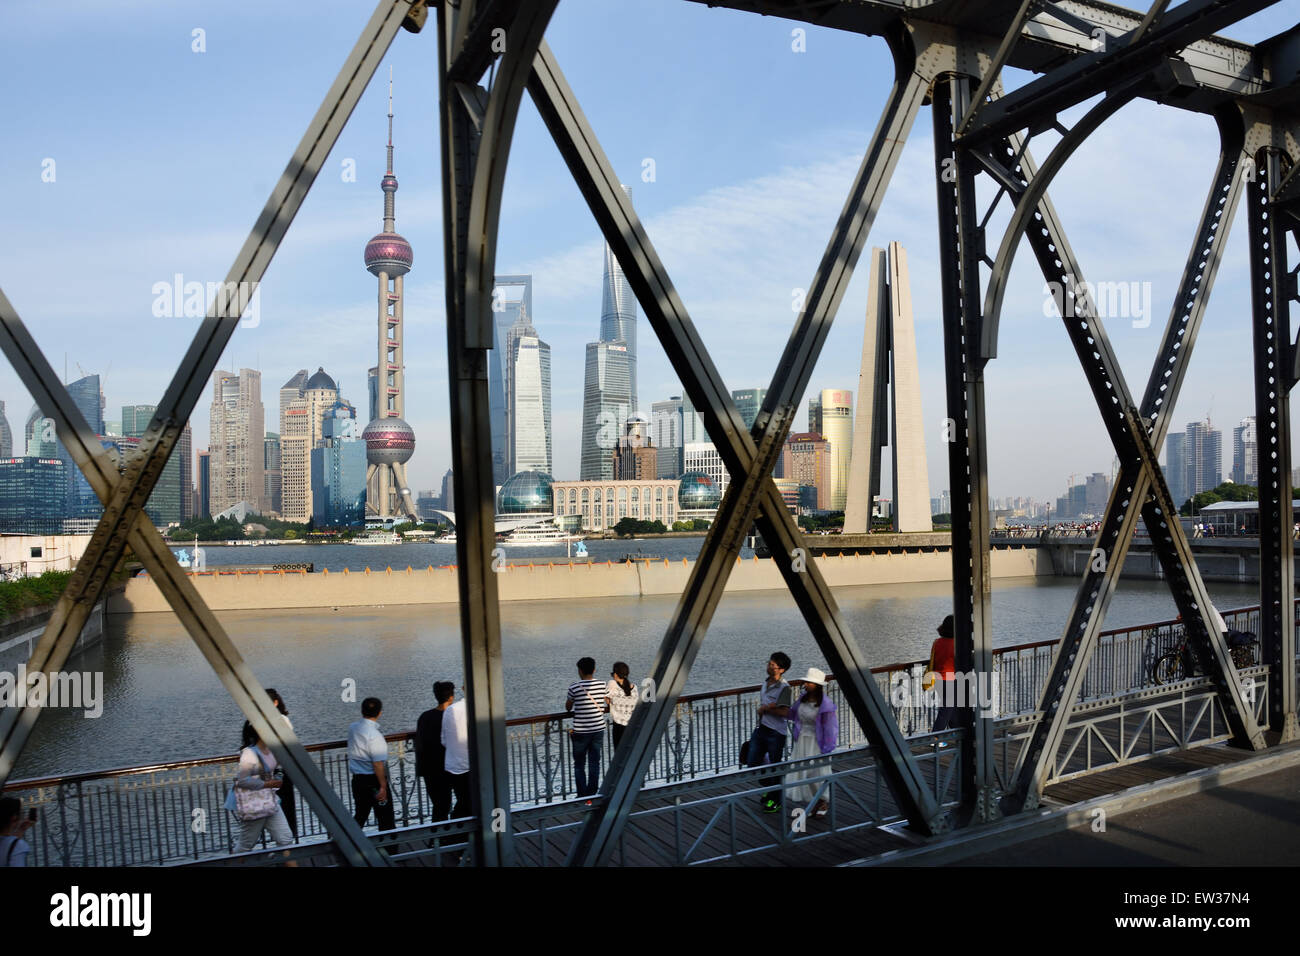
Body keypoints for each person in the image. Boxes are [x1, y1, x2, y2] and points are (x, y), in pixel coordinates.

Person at [231, 721, 294, 854]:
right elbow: (242, 780)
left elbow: (275, 769)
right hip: (254, 805)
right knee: (245, 846)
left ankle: (280, 859)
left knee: (285, 839)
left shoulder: (271, 751)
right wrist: (267, 784)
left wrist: (277, 778)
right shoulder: (249, 754)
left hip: (270, 802)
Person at [784, 667, 838, 818]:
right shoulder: (802, 699)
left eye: (809, 682)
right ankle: (815, 801)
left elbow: (830, 727)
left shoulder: (825, 704)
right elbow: (793, 714)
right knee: (804, 772)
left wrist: (827, 746)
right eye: (806, 682)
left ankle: (823, 801)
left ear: (817, 685)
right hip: (802, 739)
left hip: (816, 741)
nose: (805, 684)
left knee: (817, 772)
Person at [745, 651, 792, 813]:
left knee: (775, 766)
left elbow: (785, 713)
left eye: (773, 665)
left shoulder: (785, 688)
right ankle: (771, 789)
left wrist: (766, 709)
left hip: (776, 733)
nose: (769, 667)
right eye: (769, 663)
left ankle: (776, 799)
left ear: (782, 669)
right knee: (752, 762)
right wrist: (765, 710)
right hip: (761, 729)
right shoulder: (765, 684)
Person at [347, 697, 395, 831]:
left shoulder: (353, 728)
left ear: (362, 711)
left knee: (360, 815)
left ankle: (349, 845)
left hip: (358, 780)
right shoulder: (375, 735)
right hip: (373, 781)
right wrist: (383, 787)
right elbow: (377, 764)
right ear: (379, 713)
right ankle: (390, 848)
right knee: (386, 818)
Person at [566, 657, 608, 799]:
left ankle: (582, 794)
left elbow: (568, 707)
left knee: (579, 764)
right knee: (594, 762)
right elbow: (608, 701)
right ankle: (592, 793)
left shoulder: (574, 687)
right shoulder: (603, 685)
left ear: (580, 670)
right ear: (594, 669)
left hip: (581, 731)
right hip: (598, 729)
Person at [415, 681, 456, 821]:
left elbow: (420, 744)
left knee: (439, 805)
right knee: (450, 803)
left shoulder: (425, 717)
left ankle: (437, 838)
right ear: (451, 697)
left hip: (429, 768)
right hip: (449, 767)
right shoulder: (452, 716)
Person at [263, 688, 297, 838]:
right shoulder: (282, 720)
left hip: (265, 771)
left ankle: (280, 840)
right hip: (281, 769)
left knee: (270, 807)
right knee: (286, 806)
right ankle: (289, 839)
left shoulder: (255, 721)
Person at [441, 688, 471, 818]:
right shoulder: (481, 710)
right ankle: (498, 831)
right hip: (471, 766)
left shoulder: (450, 710)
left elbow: (444, 740)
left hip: (453, 765)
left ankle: (457, 832)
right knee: (473, 801)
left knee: (463, 800)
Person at [929, 615, 958, 732]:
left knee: (951, 710)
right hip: (951, 679)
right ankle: (935, 738)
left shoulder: (937, 642)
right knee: (946, 711)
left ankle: (956, 734)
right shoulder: (957, 644)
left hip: (938, 679)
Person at [605, 662, 638, 748]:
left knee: (619, 754)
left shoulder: (612, 684)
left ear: (615, 674)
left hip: (619, 726)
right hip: (632, 725)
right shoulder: (635, 688)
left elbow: (607, 700)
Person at [0, 796, 35, 867]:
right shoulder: (19, 846)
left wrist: (21, 829)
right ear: (14, 817)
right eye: (21, 813)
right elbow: (11, 847)